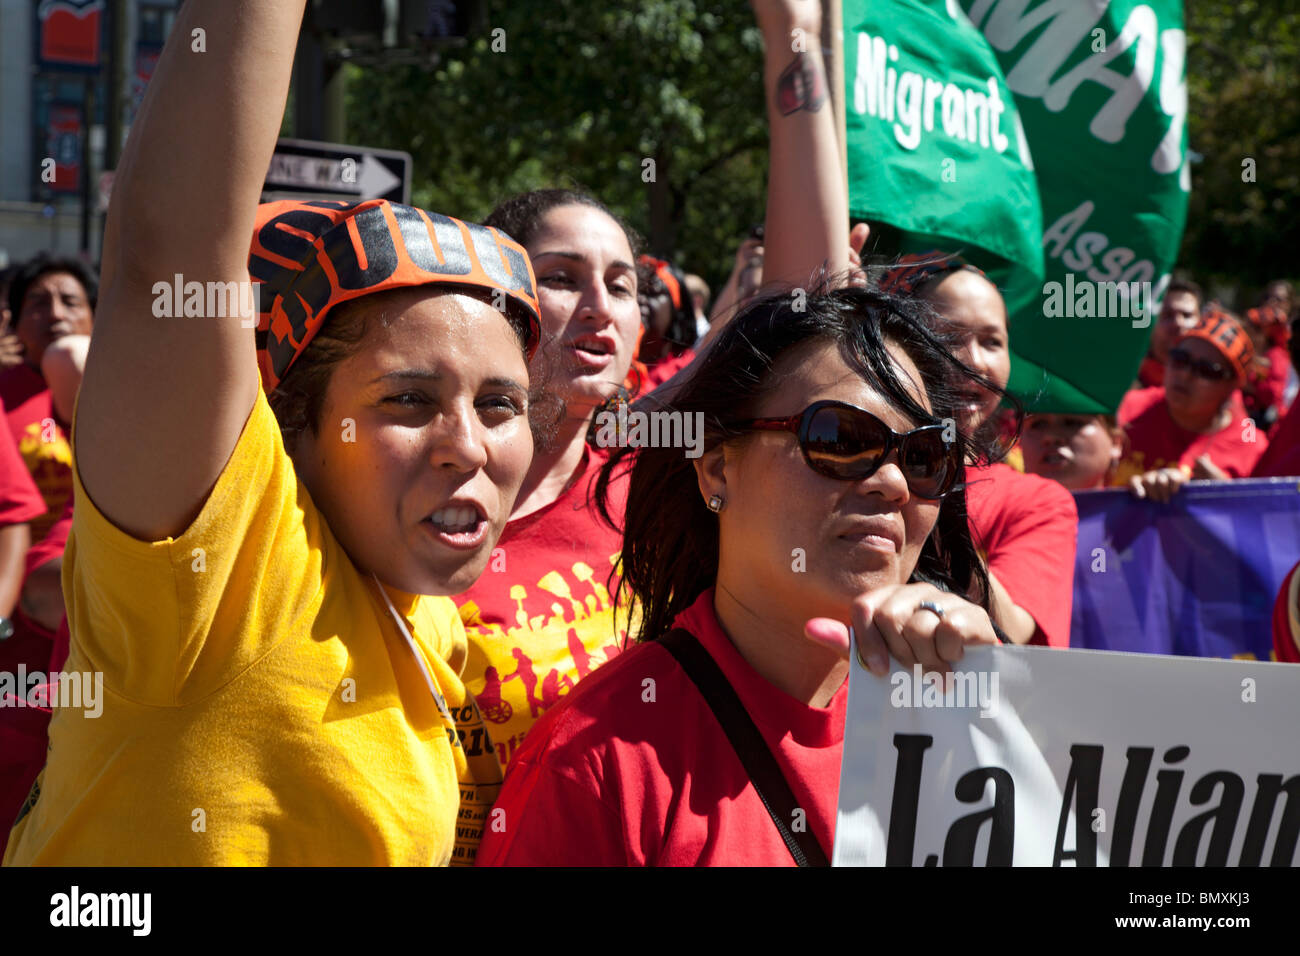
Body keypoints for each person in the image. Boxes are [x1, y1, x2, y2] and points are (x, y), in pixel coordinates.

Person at [5, 0, 543, 866]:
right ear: (294, 428)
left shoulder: (425, 614)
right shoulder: (224, 571)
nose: (468, 445)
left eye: (500, 405)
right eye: (408, 401)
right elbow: (166, 257)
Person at [479, 273, 1008, 865]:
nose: (890, 483)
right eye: (838, 438)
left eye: (922, 456)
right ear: (716, 470)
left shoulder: (963, 721)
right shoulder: (596, 766)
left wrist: (997, 722)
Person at [881, 254, 1078, 648]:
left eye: (992, 341)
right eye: (948, 337)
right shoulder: (849, 461)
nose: (973, 361)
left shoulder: (1038, 501)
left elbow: (1017, 632)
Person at [1118, 310, 1268, 501]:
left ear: (1231, 386)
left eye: (1206, 370)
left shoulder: (1252, 447)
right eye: (1180, 359)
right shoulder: (1127, 408)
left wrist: (1228, 497)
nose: (1186, 375)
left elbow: (1259, 522)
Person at [0, 255, 96, 539]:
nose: (56, 314)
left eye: (71, 302)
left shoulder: (123, 394)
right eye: (39, 303)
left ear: (96, 317)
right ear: (14, 322)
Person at [1019, 413, 1124, 491]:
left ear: (1115, 443)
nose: (1051, 437)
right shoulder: (1003, 517)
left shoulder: (1137, 513)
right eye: (1038, 424)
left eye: (1072, 423)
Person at [1137, 278, 1202, 388]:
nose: (1178, 323)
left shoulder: (1213, 387)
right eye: (1167, 315)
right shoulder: (1124, 376)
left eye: (1187, 315)